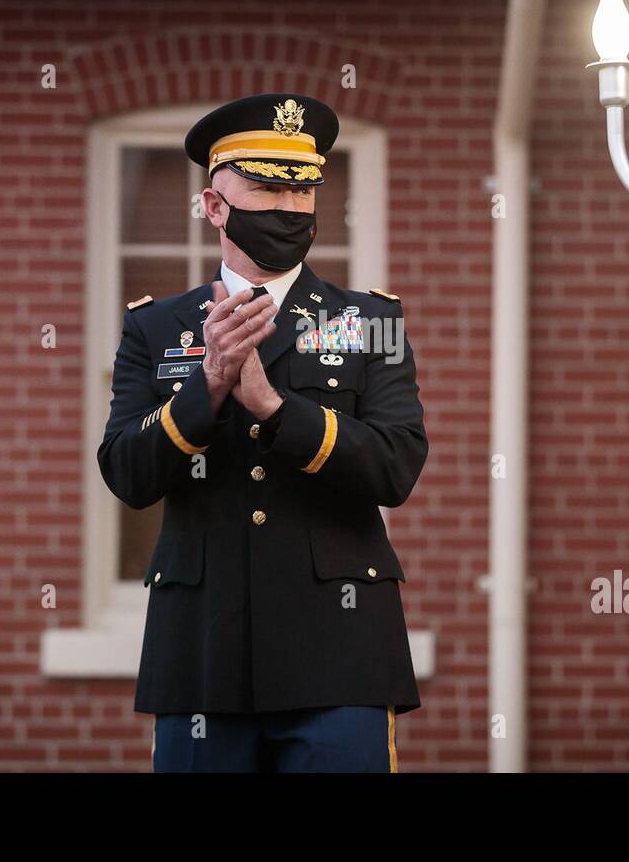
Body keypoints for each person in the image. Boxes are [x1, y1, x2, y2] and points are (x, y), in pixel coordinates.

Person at [97, 92, 428, 772]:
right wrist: (209, 386)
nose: (287, 205)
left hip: (340, 656)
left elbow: (396, 467)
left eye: (302, 189)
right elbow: (127, 473)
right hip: (202, 654)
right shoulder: (157, 328)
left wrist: (275, 407)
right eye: (265, 187)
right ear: (215, 207)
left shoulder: (370, 321)